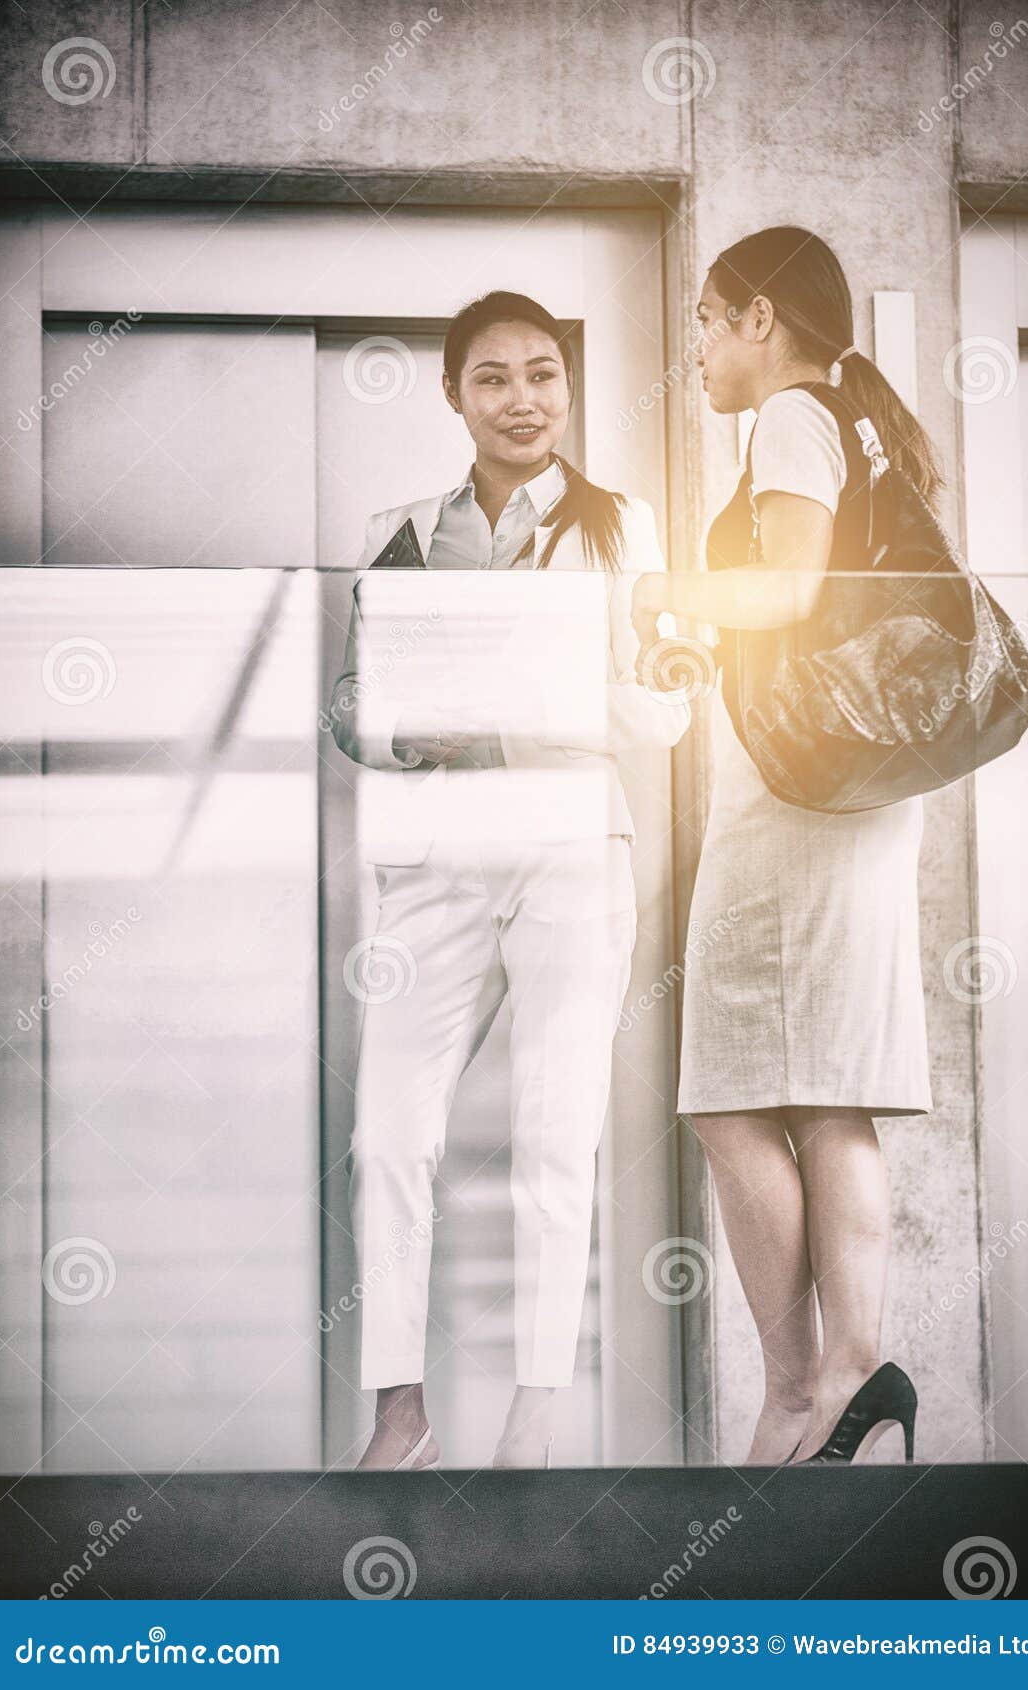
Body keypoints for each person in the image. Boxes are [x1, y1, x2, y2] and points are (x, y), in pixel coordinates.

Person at [330, 290, 689, 1470]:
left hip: (569, 837)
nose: (522, 399)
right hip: (438, 846)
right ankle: (398, 1410)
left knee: (554, 1125)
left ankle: (539, 1407)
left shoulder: (620, 527)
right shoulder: (401, 530)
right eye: (493, 379)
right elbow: (349, 708)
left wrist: (544, 695)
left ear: (567, 389)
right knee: (387, 1131)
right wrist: (409, 733)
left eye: (543, 374)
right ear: (454, 395)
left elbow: (665, 709)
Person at [633, 228, 937, 1466]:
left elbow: (792, 589)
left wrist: (661, 592)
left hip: (793, 794)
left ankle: (801, 1388)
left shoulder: (792, 417)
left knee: (727, 1090)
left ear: (760, 318)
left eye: (707, 320)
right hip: (864, 787)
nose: (698, 348)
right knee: (829, 1093)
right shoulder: (863, 423)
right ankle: (855, 1377)